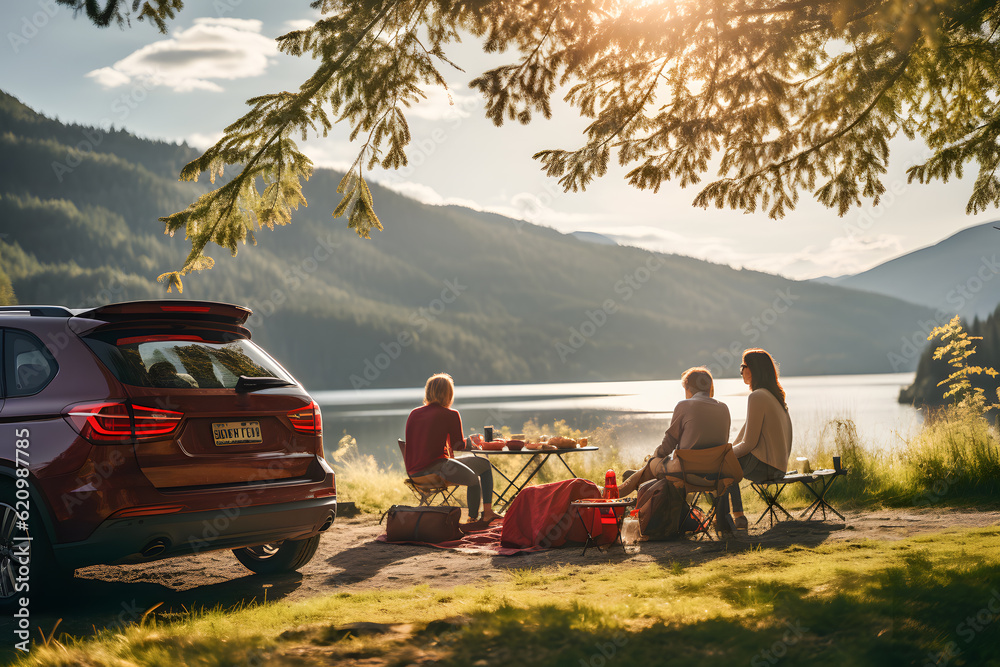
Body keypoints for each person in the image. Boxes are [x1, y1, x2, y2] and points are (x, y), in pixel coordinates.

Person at [404, 373, 502, 526]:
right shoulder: (450, 414)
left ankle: (485, 514)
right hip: (436, 469)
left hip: (415, 473)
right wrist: (471, 441)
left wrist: (465, 441)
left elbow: (428, 441)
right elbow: (459, 446)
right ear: (448, 394)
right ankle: (475, 518)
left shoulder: (414, 413)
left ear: (428, 392)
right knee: (475, 478)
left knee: (482, 464)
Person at [618, 367, 731, 497]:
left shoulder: (684, 405)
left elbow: (668, 444)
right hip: (716, 473)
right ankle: (624, 496)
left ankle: (620, 496)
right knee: (652, 466)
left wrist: (656, 456)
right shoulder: (723, 408)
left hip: (686, 472)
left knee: (652, 464)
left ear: (687, 387)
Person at [721, 348, 793, 531]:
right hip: (778, 468)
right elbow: (741, 438)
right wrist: (725, 451)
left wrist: (721, 455)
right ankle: (736, 517)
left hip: (766, 467)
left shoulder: (758, 396)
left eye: (742, 366)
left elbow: (749, 444)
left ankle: (729, 519)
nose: (741, 371)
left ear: (752, 369)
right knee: (725, 460)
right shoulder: (773, 396)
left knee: (723, 466)